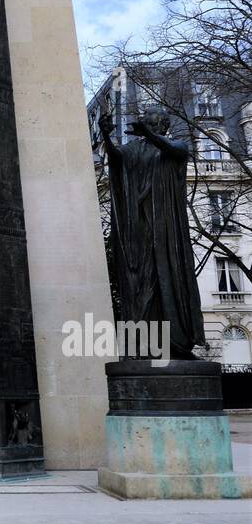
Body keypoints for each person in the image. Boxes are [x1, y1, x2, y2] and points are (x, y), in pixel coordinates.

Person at [99, 104, 205, 359]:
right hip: (138, 227)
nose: (144, 119)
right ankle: (143, 341)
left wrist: (148, 135)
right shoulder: (134, 149)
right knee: (140, 282)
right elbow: (115, 158)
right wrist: (105, 135)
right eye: (144, 118)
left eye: (149, 117)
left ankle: (176, 341)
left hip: (167, 229)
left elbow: (175, 149)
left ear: (162, 124)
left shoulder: (174, 147)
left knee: (167, 278)